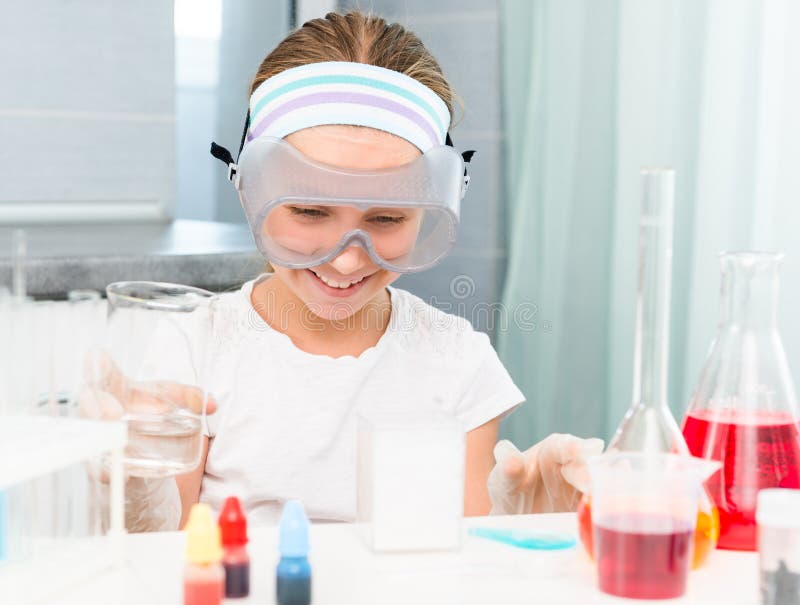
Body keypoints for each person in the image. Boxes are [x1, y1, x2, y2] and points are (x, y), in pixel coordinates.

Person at [88, 11, 602, 532]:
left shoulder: (459, 363)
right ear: (251, 188)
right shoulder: (194, 350)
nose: (346, 259)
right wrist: (129, 486)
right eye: (310, 212)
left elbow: (457, 576)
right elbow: (160, 555)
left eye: (386, 219)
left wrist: (529, 527)